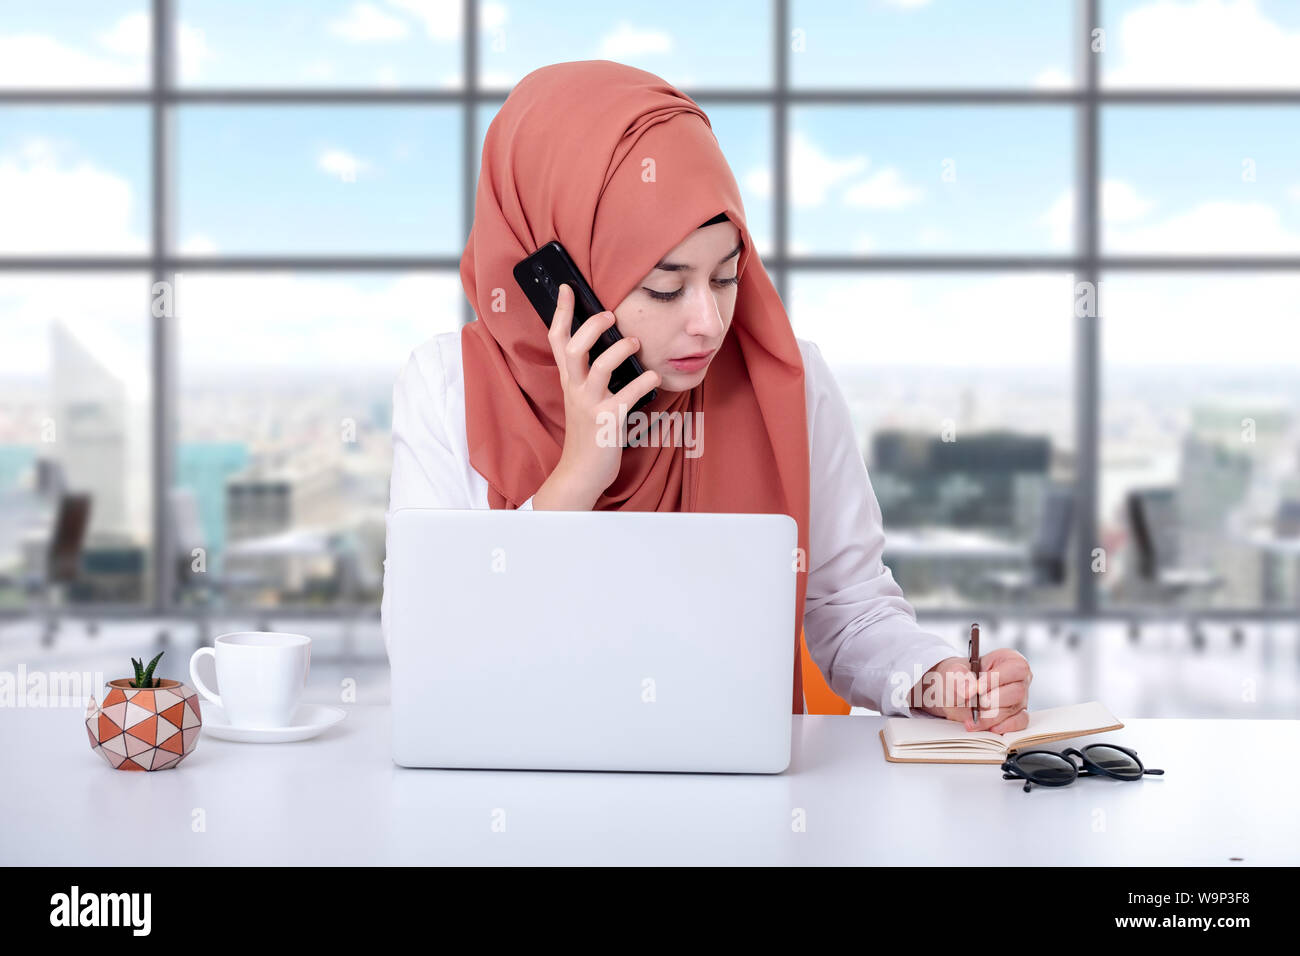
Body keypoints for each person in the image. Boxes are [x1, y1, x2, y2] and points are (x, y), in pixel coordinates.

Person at [381, 59, 1031, 729]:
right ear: (564, 279)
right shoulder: (446, 386)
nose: (709, 323)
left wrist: (936, 678)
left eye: (725, 277)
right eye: (665, 287)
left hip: (741, 813)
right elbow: (424, 647)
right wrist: (575, 479)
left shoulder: (785, 382)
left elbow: (849, 609)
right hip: (502, 807)